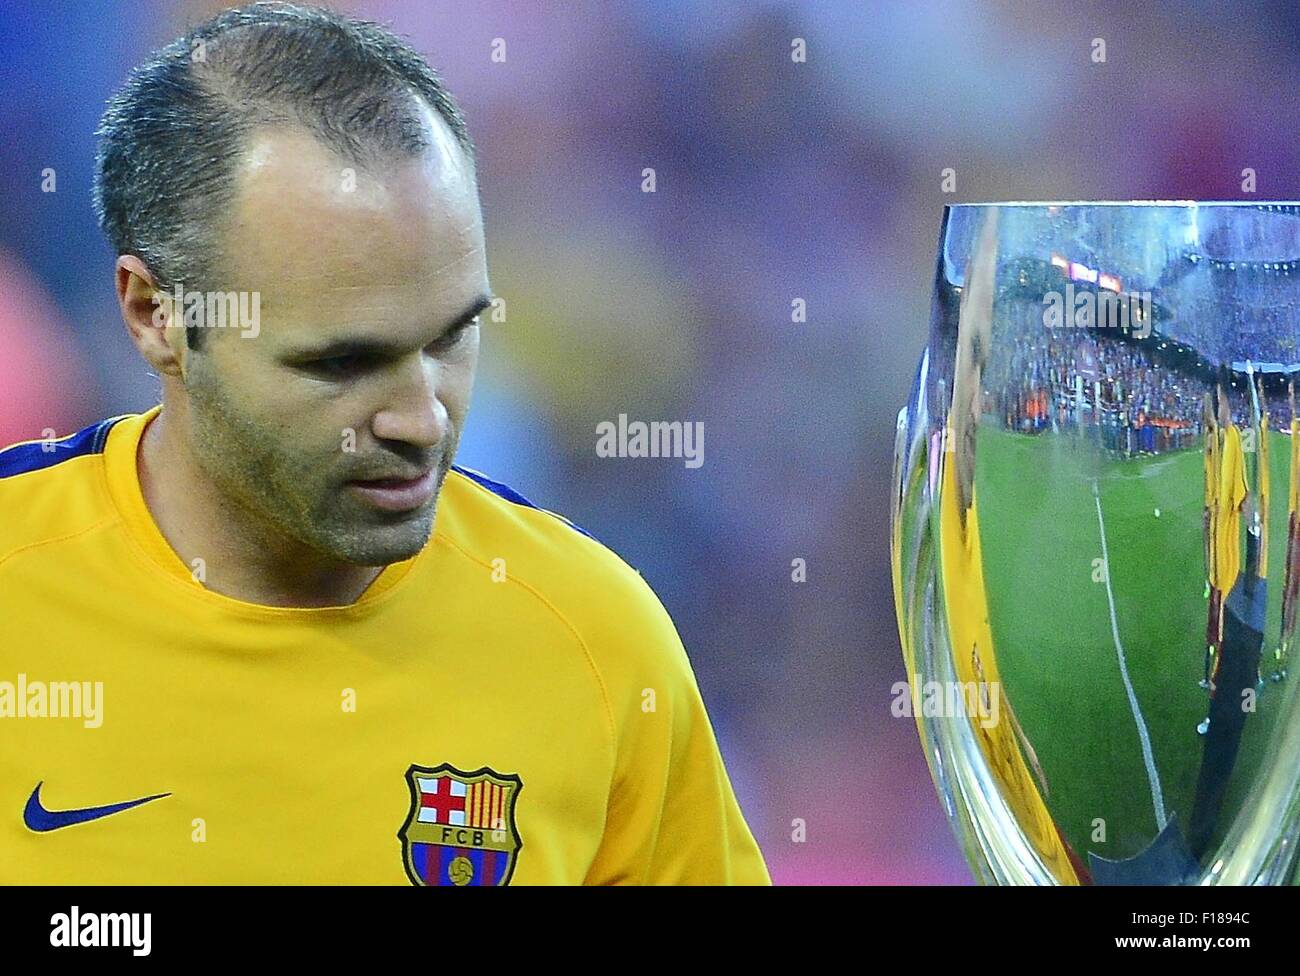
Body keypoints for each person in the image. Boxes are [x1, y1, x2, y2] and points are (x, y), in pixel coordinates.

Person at [0, 2, 768, 886]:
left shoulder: (596, 642)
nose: (423, 419)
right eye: (344, 361)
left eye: (452, 337)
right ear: (155, 316)